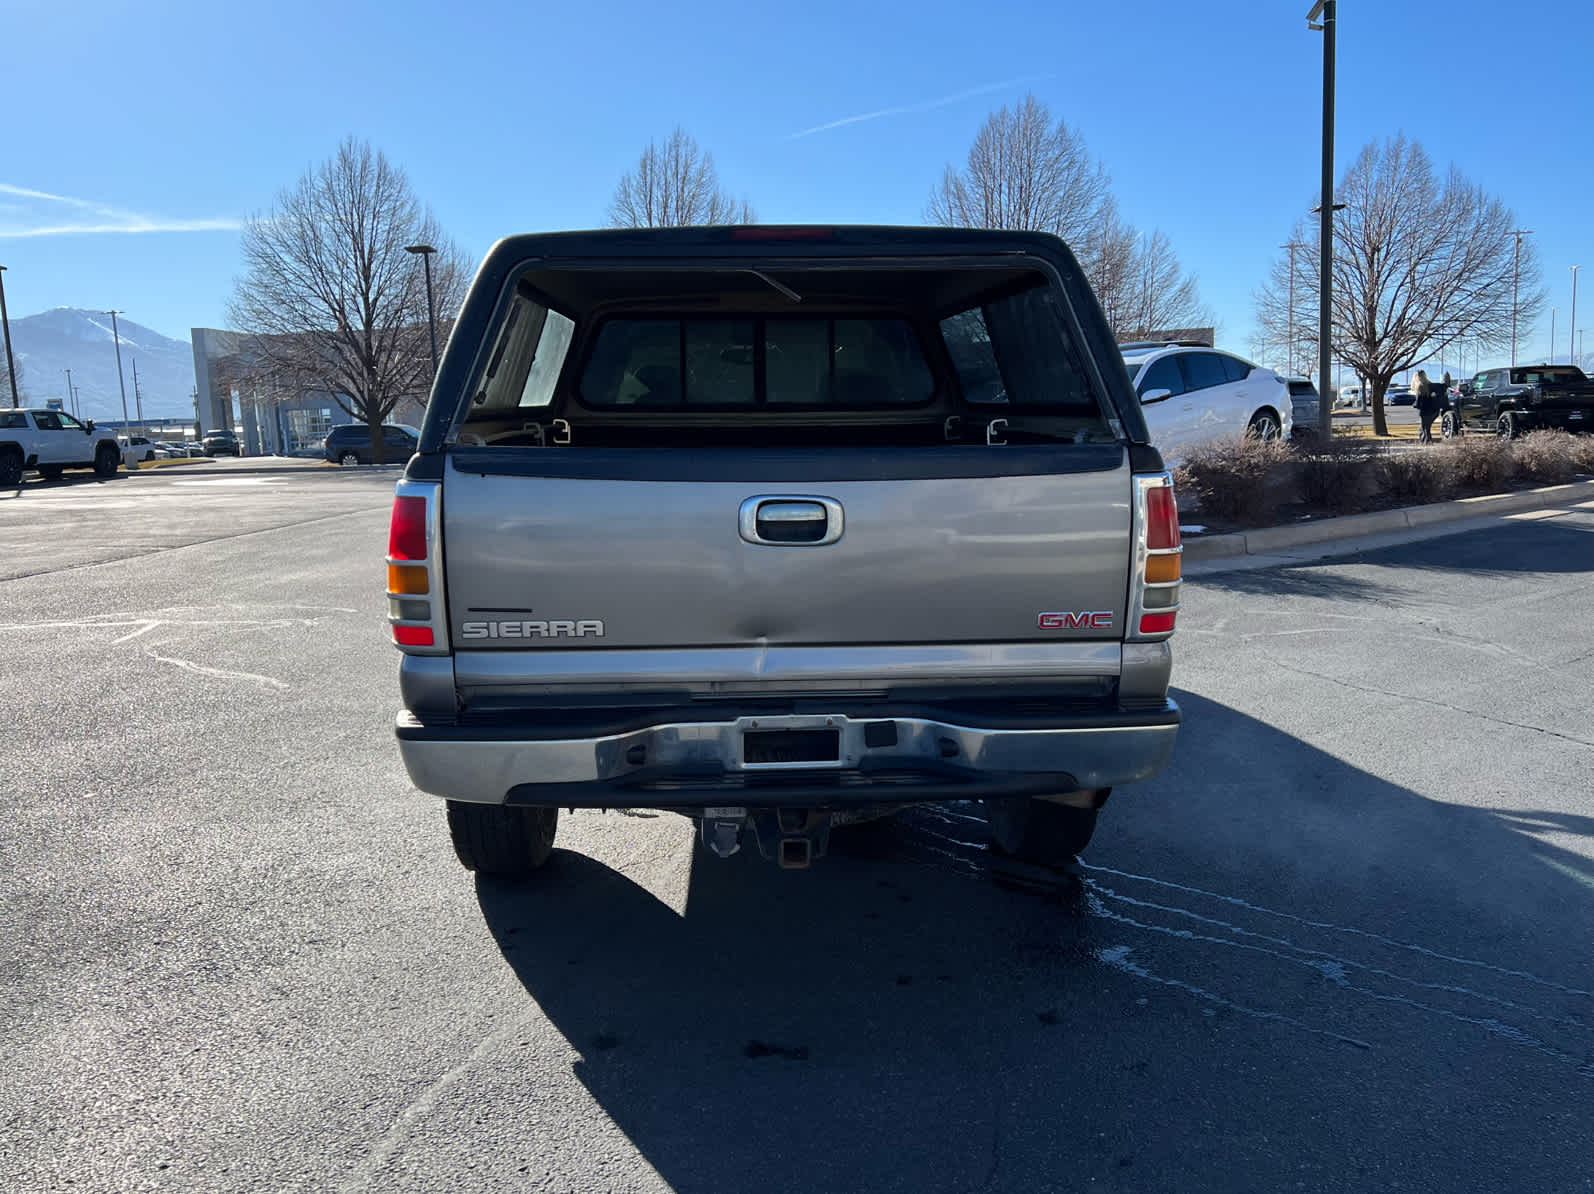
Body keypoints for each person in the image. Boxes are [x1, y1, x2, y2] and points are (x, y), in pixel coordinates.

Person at [1414, 369, 1443, 443]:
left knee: (1424, 428)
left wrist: (1416, 405)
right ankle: (1427, 441)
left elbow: (1419, 401)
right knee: (1427, 427)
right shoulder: (1431, 385)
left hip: (1425, 411)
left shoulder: (1420, 386)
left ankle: (1426, 442)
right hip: (1434, 410)